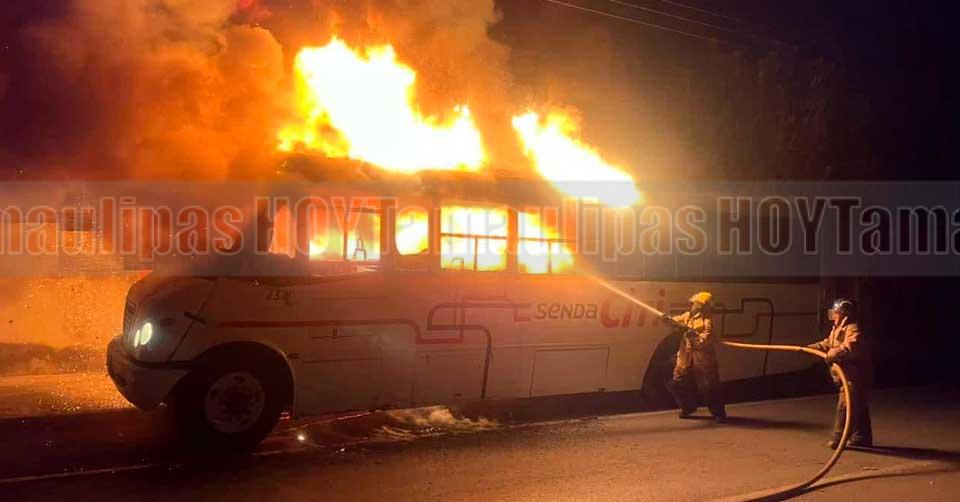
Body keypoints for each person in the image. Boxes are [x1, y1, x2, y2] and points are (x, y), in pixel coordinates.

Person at [808, 298, 873, 449]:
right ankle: (861, 436)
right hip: (847, 377)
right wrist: (809, 348)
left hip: (855, 378)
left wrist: (833, 353)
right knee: (859, 406)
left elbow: (850, 347)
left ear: (844, 315)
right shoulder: (837, 328)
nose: (832, 315)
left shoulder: (853, 329)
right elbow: (827, 343)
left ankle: (838, 438)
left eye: (835, 313)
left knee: (846, 406)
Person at [663, 291, 726, 423]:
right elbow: (676, 321)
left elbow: (704, 342)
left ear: (703, 306)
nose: (693, 305)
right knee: (677, 383)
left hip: (702, 360)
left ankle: (718, 413)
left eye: (696, 304)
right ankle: (688, 407)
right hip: (685, 358)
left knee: (709, 387)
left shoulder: (707, 322)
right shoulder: (688, 316)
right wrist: (667, 320)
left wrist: (692, 335)